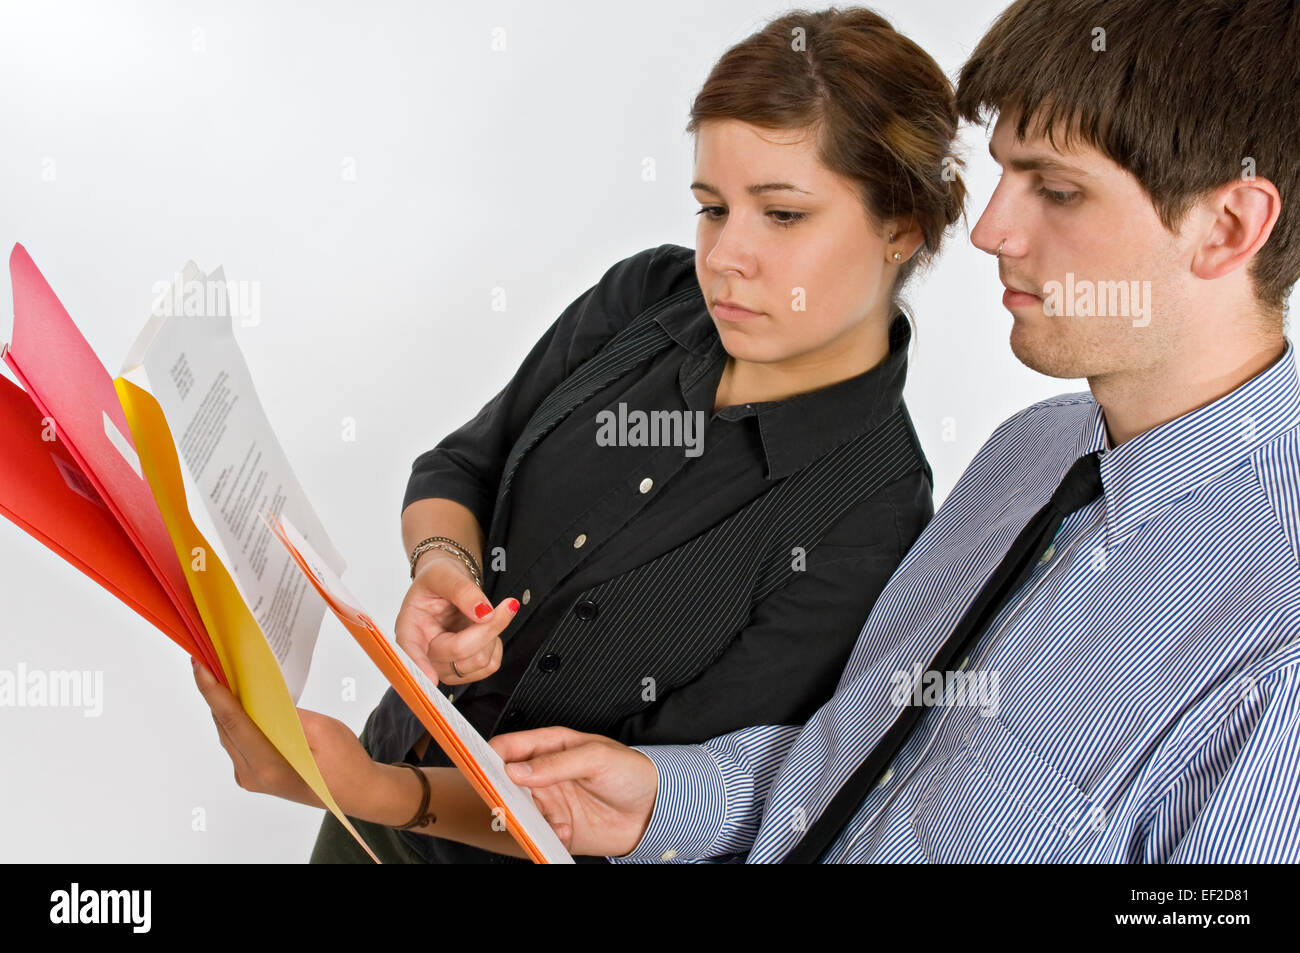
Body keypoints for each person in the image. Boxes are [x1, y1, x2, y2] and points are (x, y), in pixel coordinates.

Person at [483, 0, 1300, 862]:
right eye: (1004, 176)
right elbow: (874, 763)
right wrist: (666, 799)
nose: (989, 231)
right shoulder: (1031, 452)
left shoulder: (1278, 648)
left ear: (1229, 226)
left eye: (1057, 190)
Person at [191, 7, 968, 862]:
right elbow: (463, 464)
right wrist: (443, 567)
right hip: (368, 791)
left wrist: (374, 791)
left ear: (903, 226)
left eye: (782, 215)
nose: (725, 255)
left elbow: (642, 805)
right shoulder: (647, 297)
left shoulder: (872, 520)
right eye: (713, 208)